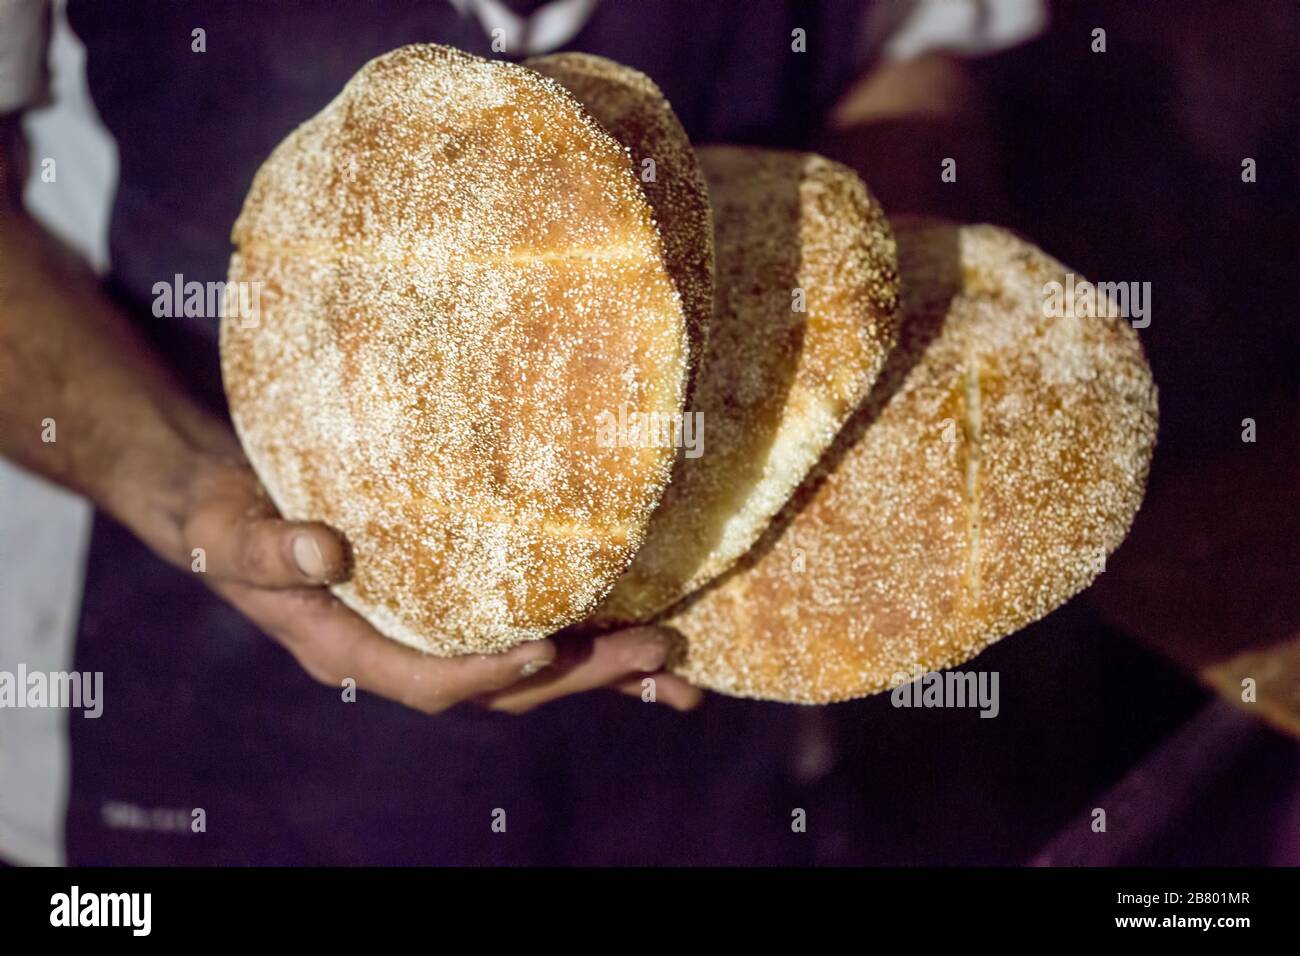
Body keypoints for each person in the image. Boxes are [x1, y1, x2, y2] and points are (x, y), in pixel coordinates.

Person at [0, 0, 1045, 864]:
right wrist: (186, 491)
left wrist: (856, 357)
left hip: (699, 725)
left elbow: (915, 52)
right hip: (192, 710)